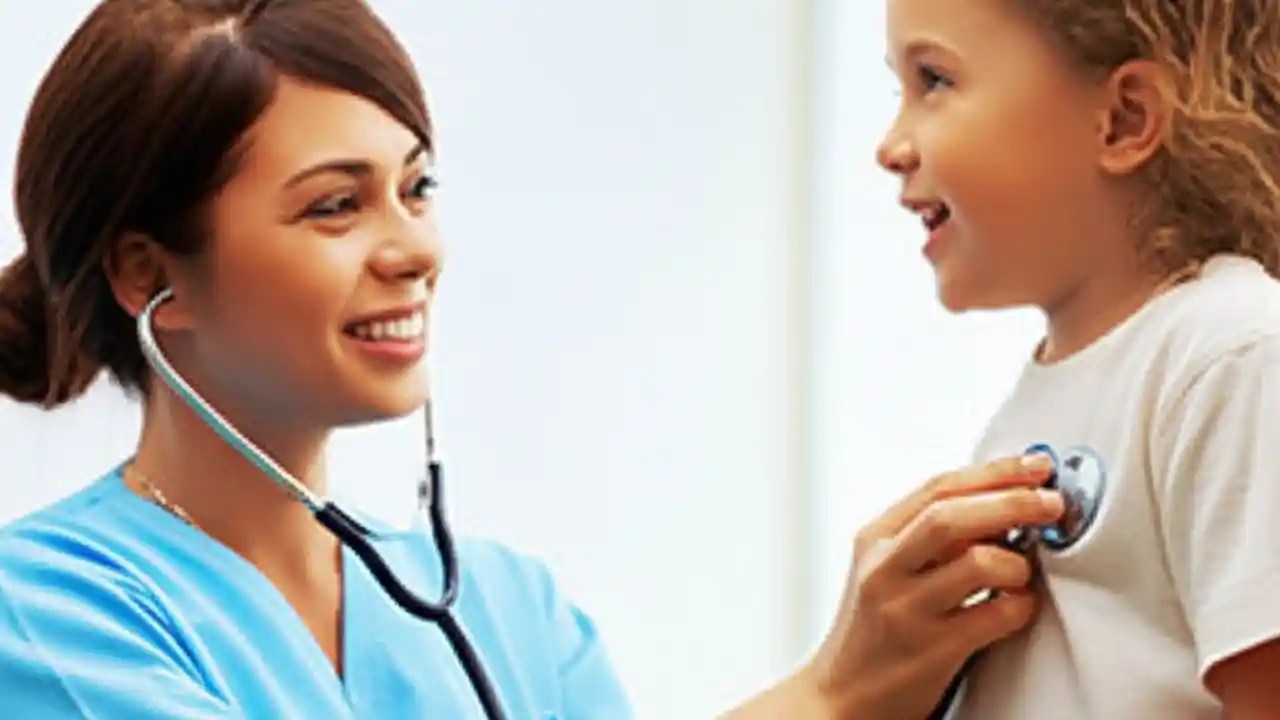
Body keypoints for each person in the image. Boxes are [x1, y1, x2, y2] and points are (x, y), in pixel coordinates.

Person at [0, 1, 1067, 718]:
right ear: (148, 276)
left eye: (415, 190)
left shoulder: (509, 612)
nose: (414, 248)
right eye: (335, 206)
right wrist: (833, 693)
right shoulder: (48, 612)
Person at [879, 0, 1280, 716]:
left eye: (934, 80)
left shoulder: (1233, 355)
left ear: (1124, 119)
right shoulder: (1045, 398)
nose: (891, 145)